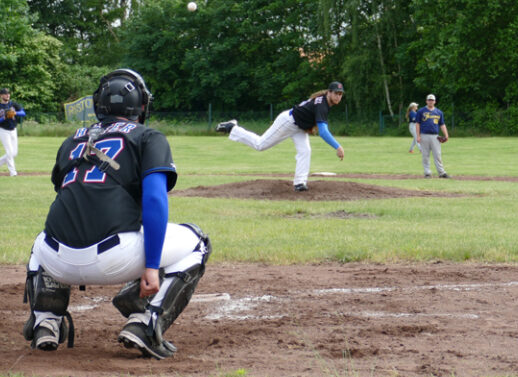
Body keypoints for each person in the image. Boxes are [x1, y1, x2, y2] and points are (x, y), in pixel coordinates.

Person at [21, 69, 211, 360]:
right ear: (141, 105)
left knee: (42, 239)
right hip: (113, 259)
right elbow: (155, 201)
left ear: (98, 104)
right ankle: (145, 324)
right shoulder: (149, 136)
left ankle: (46, 320)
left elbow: (66, 193)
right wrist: (150, 267)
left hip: (55, 259)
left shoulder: (73, 139)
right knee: (198, 241)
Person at [215, 82, 346, 191]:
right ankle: (232, 128)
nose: (338, 96)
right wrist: (337, 146)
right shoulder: (322, 104)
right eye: (335, 93)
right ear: (329, 92)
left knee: (305, 151)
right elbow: (323, 132)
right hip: (288, 122)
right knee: (260, 145)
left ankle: (299, 183)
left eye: (340, 94)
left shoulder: (323, 101)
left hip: (299, 127)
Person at [0, 88, 26, 176]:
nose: (8, 95)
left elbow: (23, 113)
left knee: (14, 153)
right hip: (3, 131)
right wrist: (4, 118)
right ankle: (13, 173)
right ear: (1, 96)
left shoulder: (13, 104)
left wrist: (15, 113)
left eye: (8, 94)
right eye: (6, 94)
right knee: (9, 152)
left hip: (13, 130)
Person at [415, 94, 450, 178]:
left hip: (435, 136)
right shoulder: (421, 111)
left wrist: (446, 135)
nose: (430, 101)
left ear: (435, 101)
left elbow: (442, 124)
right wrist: (418, 136)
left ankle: (441, 173)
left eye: (432, 100)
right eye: (429, 100)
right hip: (424, 135)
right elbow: (417, 124)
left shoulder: (439, 112)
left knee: (437, 155)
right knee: (425, 155)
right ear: (426, 101)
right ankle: (427, 173)